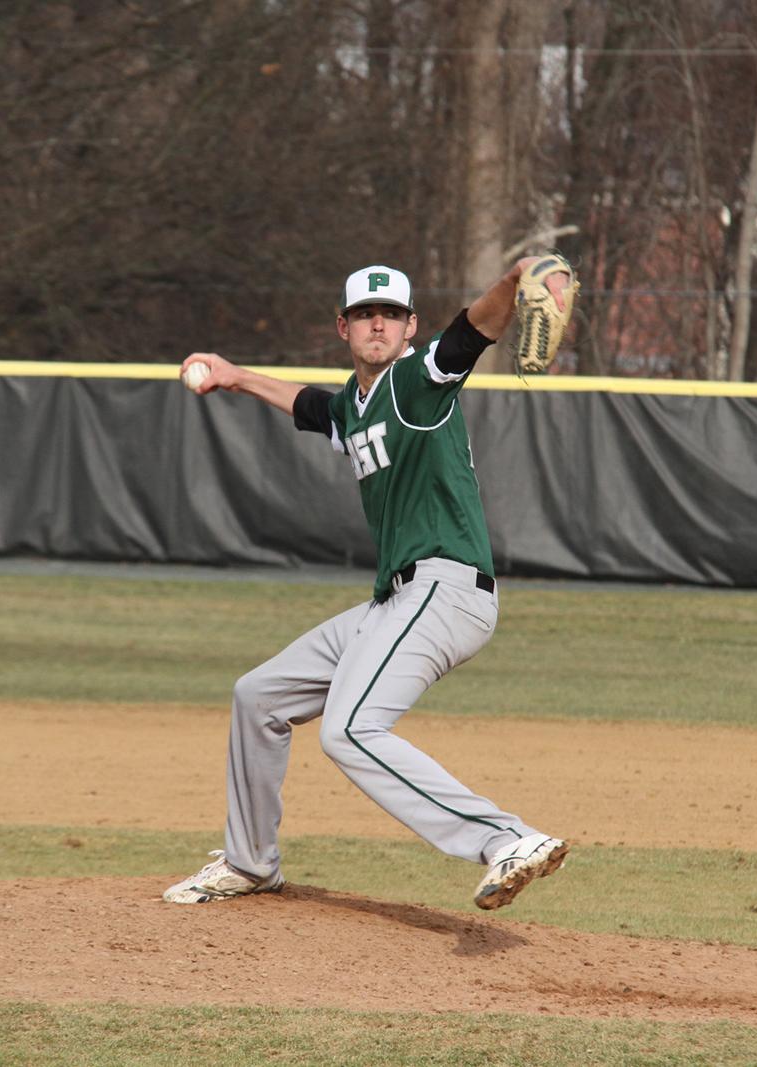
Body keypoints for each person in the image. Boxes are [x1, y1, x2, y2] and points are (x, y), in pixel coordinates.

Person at [165, 261, 570, 911]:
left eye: (390, 313)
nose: (376, 323)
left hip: (446, 588)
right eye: (362, 314)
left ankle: (508, 838)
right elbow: (311, 407)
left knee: (349, 728)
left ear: (411, 327)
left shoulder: (418, 380)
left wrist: (514, 281)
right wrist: (235, 377)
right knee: (258, 696)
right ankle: (248, 861)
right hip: (395, 599)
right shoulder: (355, 408)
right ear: (343, 327)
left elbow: (473, 331)